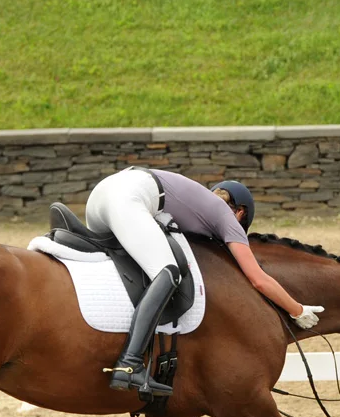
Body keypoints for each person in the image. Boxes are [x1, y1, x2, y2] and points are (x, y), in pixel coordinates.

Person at [85, 166, 324, 397]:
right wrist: (297, 309)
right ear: (240, 213)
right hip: (129, 196)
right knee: (168, 271)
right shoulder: (226, 215)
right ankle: (129, 364)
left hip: (101, 197)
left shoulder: (196, 204)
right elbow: (258, 278)